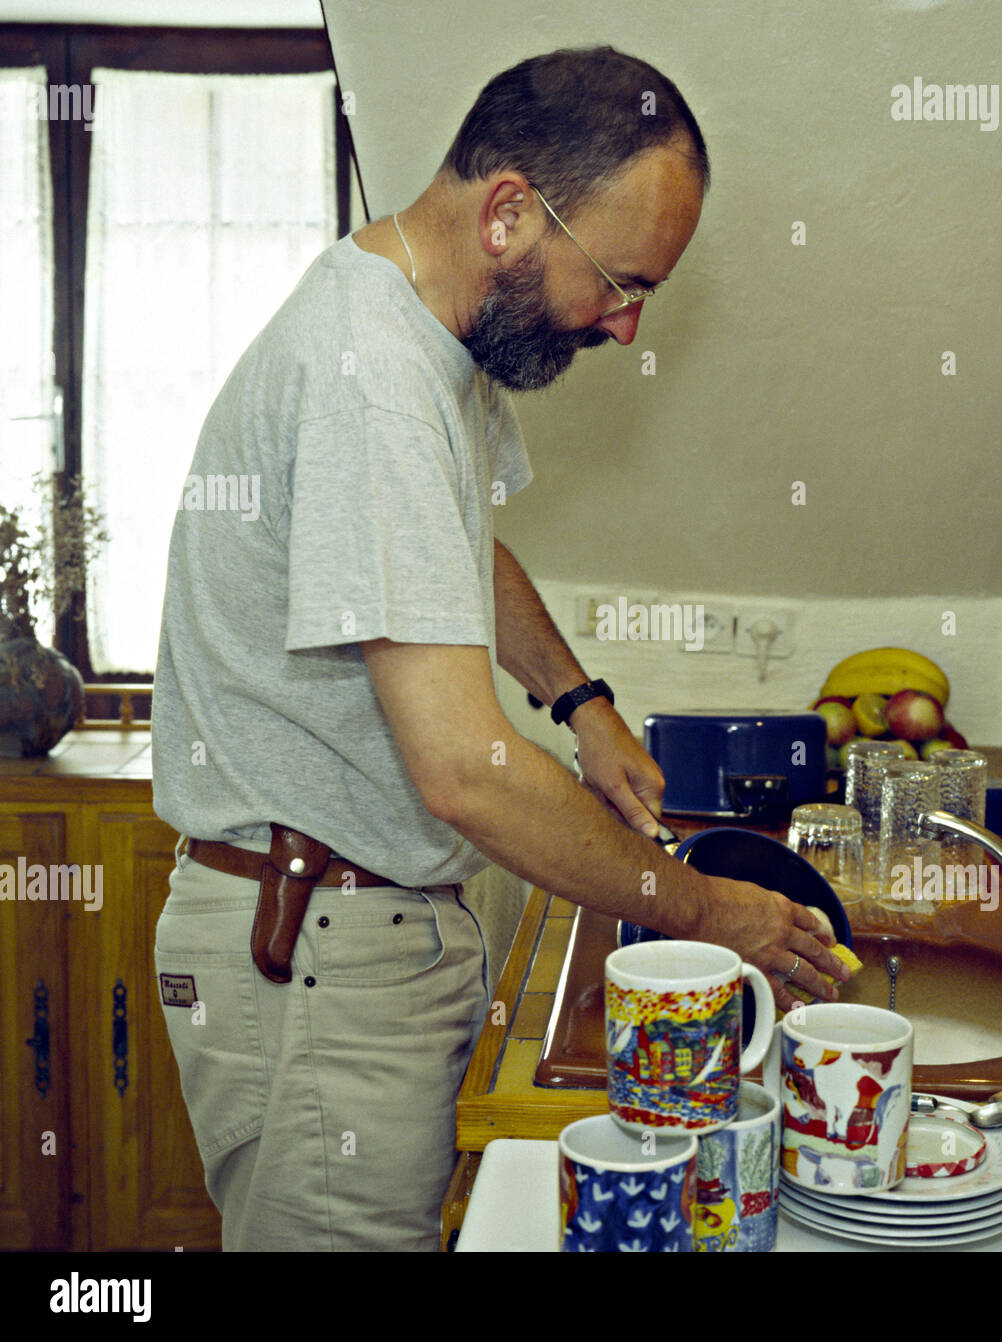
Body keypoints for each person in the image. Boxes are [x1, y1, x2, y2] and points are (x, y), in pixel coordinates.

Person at [150, 45, 848, 1252]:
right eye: (623, 281)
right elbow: (464, 766)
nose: (628, 327)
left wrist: (581, 704)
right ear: (512, 212)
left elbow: (460, 548)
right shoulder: (367, 375)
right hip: (313, 947)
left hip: (354, 929)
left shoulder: (432, 338)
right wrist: (700, 909)